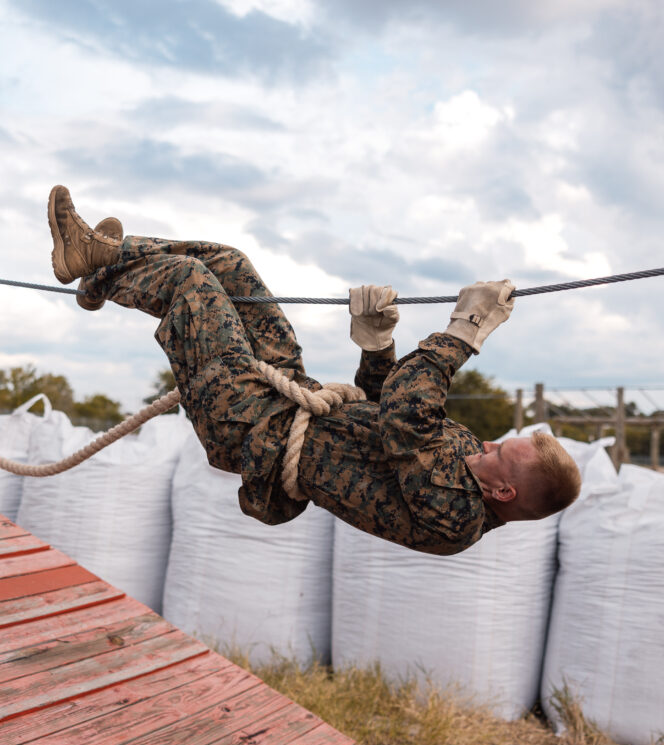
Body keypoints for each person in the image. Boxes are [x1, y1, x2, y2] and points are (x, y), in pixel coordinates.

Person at [45, 185, 581, 553]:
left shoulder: (456, 517)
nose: (484, 444)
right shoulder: (467, 459)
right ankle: (100, 257)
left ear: (504, 493)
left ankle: (97, 267)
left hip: (248, 424)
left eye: (498, 453)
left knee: (189, 280)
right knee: (230, 264)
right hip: (290, 398)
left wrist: (464, 333)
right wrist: (377, 348)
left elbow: (405, 422)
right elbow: (380, 413)